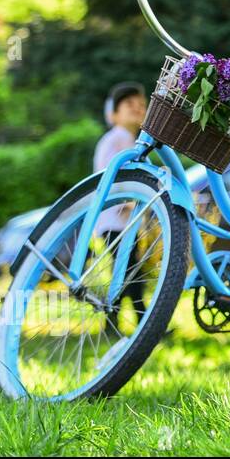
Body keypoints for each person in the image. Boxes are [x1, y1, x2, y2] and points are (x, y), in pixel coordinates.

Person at [94, 81, 148, 334]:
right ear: (113, 113)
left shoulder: (131, 141)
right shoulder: (115, 139)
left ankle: (116, 322)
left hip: (126, 221)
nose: (137, 109)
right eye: (129, 105)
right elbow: (107, 175)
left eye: (142, 105)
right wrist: (126, 200)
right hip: (115, 220)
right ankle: (137, 320)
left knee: (127, 270)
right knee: (127, 271)